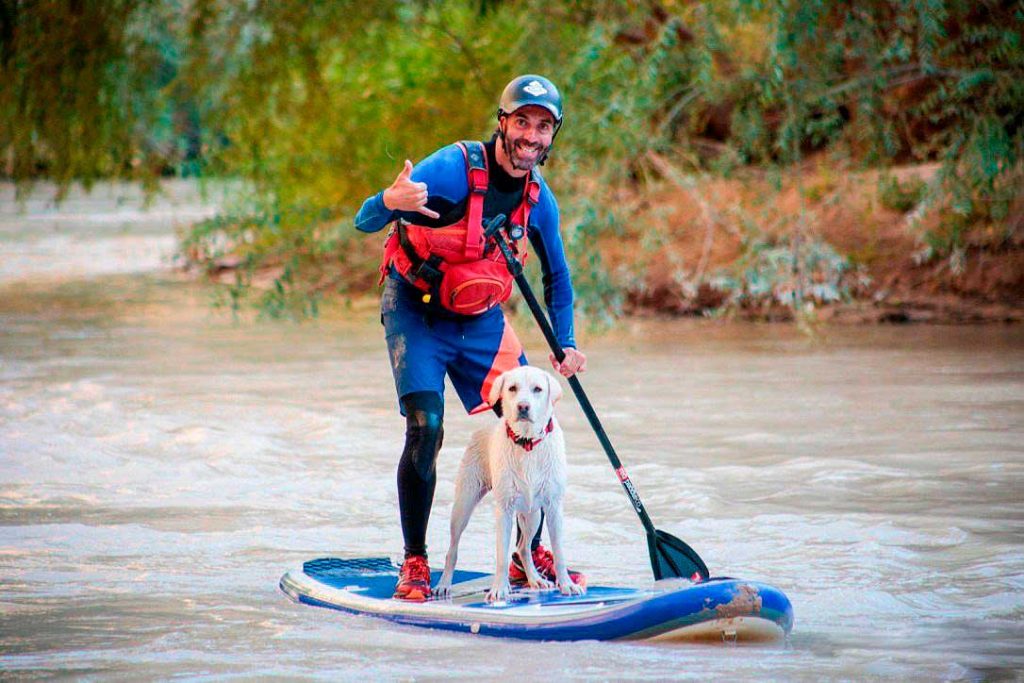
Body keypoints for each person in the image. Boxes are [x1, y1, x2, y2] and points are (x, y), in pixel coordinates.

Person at [355, 74, 587, 601]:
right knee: (425, 428)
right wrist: (389, 199)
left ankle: (527, 553)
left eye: (543, 126)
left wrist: (565, 342)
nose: (531, 135)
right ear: (502, 123)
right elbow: (364, 219)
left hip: (481, 318)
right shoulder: (452, 168)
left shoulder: (538, 198)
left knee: (535, 422)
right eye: (522, 121)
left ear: (552, 137)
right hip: (415, 309)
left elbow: (559, 277)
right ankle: (415, 562)